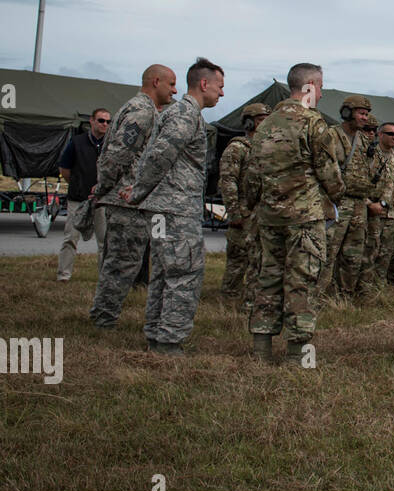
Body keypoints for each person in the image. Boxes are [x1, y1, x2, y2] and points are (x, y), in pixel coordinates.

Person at [121, 58, 225, 356]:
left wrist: (142, 191)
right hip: (175, 209)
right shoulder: (185, 114)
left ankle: (157, 335)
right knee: (184, 273)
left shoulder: (181, 113)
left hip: (168, 207)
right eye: (219, 86)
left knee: (165, 273)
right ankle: (168, 341)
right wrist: (139, 191)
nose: (221, 94)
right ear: (204, 84)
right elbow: (160, 155)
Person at [243, 63, 343, 365]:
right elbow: (330, 175)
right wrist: (337, 195)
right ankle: (298, 354)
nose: (322, 93)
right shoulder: (313, 124)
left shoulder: (266, 126)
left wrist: (256, 205)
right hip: (304, 220)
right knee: (301, 281)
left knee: (268, 279)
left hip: (270, 217)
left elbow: (252, 177)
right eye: (321, 86)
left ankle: (261, 349)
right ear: (310, 86)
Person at [88, 64, 177, 330]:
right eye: (171, 84)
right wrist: (104, 187)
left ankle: (103, 316)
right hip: (128, 200)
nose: (174, 90)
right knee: (122, 264)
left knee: (119, 262)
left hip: (127, 198)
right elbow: (118, 154)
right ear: (156, 81)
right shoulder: (142, 111)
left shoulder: (137, 107)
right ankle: (103, 319)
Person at [322, 94, 375, 298]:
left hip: (359, 203)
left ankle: (344, 297)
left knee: (353, 255)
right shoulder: (332, 136)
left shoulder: (364, 139)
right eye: (361, 113)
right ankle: (318, 296)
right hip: (337, 202)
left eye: (367, 114)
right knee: (329, 251)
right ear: (347, 113)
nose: (365, 118)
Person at [218, 102, 270, 308]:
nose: (265, 125)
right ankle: (229, 301)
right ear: (249, 123)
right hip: (243, 211)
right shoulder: (237, 148)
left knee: (258, 261)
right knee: (237, 261)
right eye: (260, 121)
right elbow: (227, 181)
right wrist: (234, 212)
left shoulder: (266, 149)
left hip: (261, 213)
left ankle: (251, 301)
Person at [55, 107, 110, 281]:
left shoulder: (111, 145)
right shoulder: (77, 142)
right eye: (101, 120)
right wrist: (77, 185)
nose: (105, 124)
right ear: (92, 121)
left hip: (102, 200)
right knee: (70, 237)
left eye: (108, 121)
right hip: (78, 199)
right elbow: (64, 169)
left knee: (104, 241)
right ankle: (64, 274)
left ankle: (103, 278)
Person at [361, 121, 394, 297]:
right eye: (390, 134)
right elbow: (359, 181)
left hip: (391, 213)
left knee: (386, 253)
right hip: (372, 211)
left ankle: (378, 289)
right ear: (380, 135)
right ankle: (364, 289)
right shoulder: (370, 155)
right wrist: (368, 203)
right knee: (369, 251)